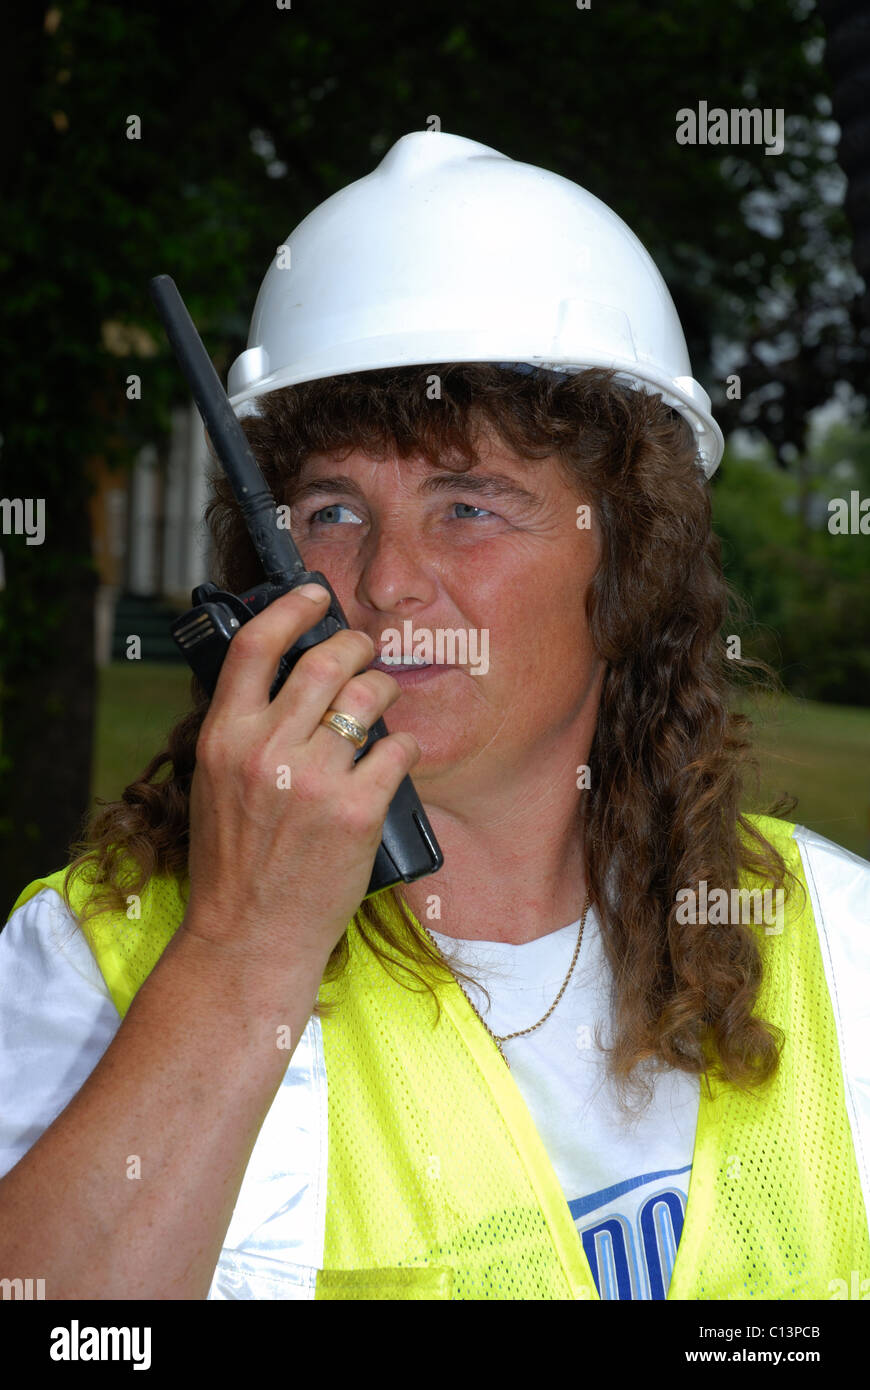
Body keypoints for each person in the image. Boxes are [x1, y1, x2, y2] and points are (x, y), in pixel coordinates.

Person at [1, 130, 868, 1302]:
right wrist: (244, 951)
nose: (388, 579)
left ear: (632, 563)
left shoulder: (837, 939)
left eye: (468, 505)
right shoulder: (92, 961)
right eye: (330, 509)